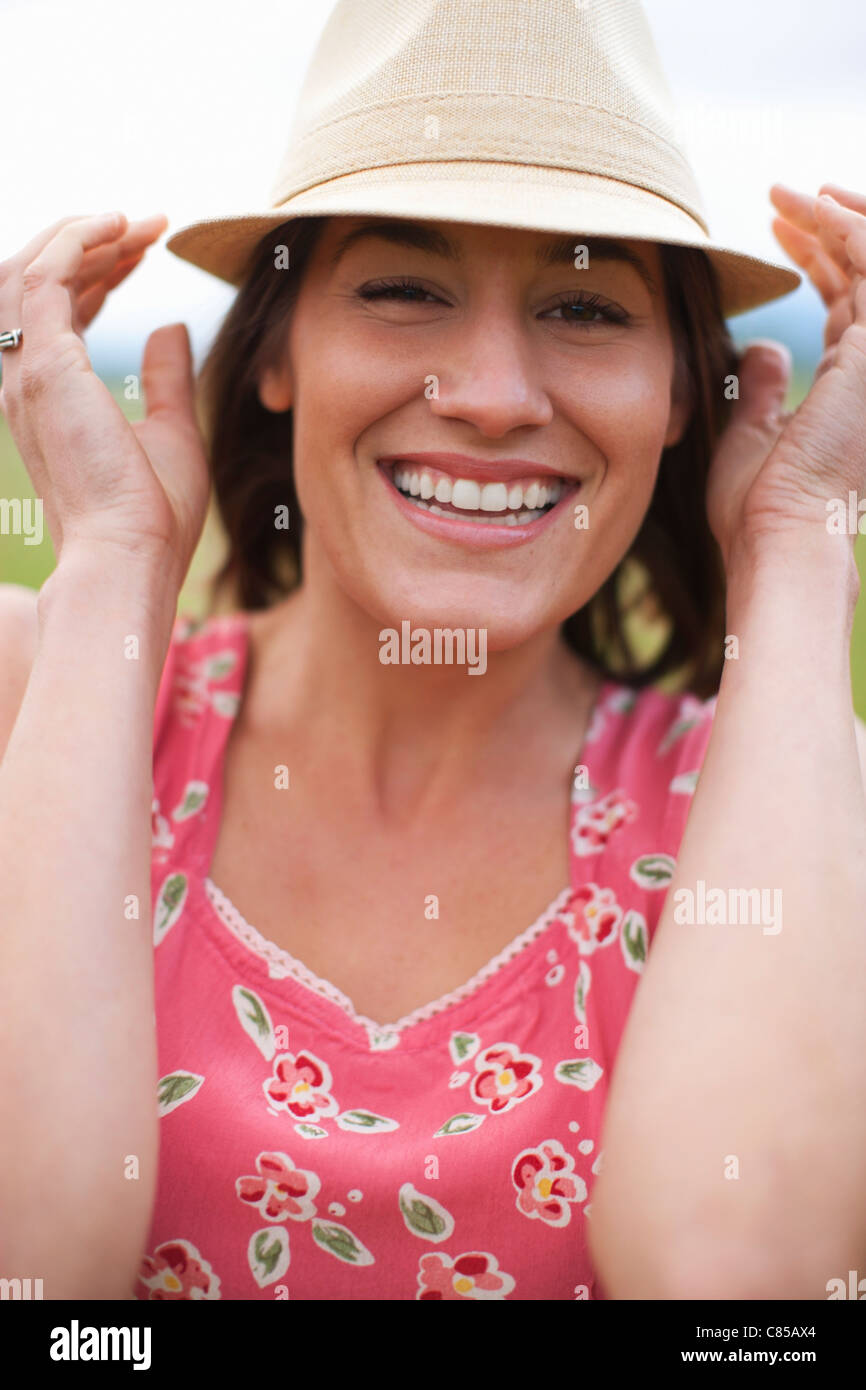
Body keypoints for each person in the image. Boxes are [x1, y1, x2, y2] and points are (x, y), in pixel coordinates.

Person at [1, 0, 864, 1302]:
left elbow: (734, 1290)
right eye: (404, 291)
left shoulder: (799, 806)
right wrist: (114, 564)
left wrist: (799, 546)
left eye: (584, 306)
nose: (495, 393)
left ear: (682, 395)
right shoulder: (35, 699)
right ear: (278, 347)